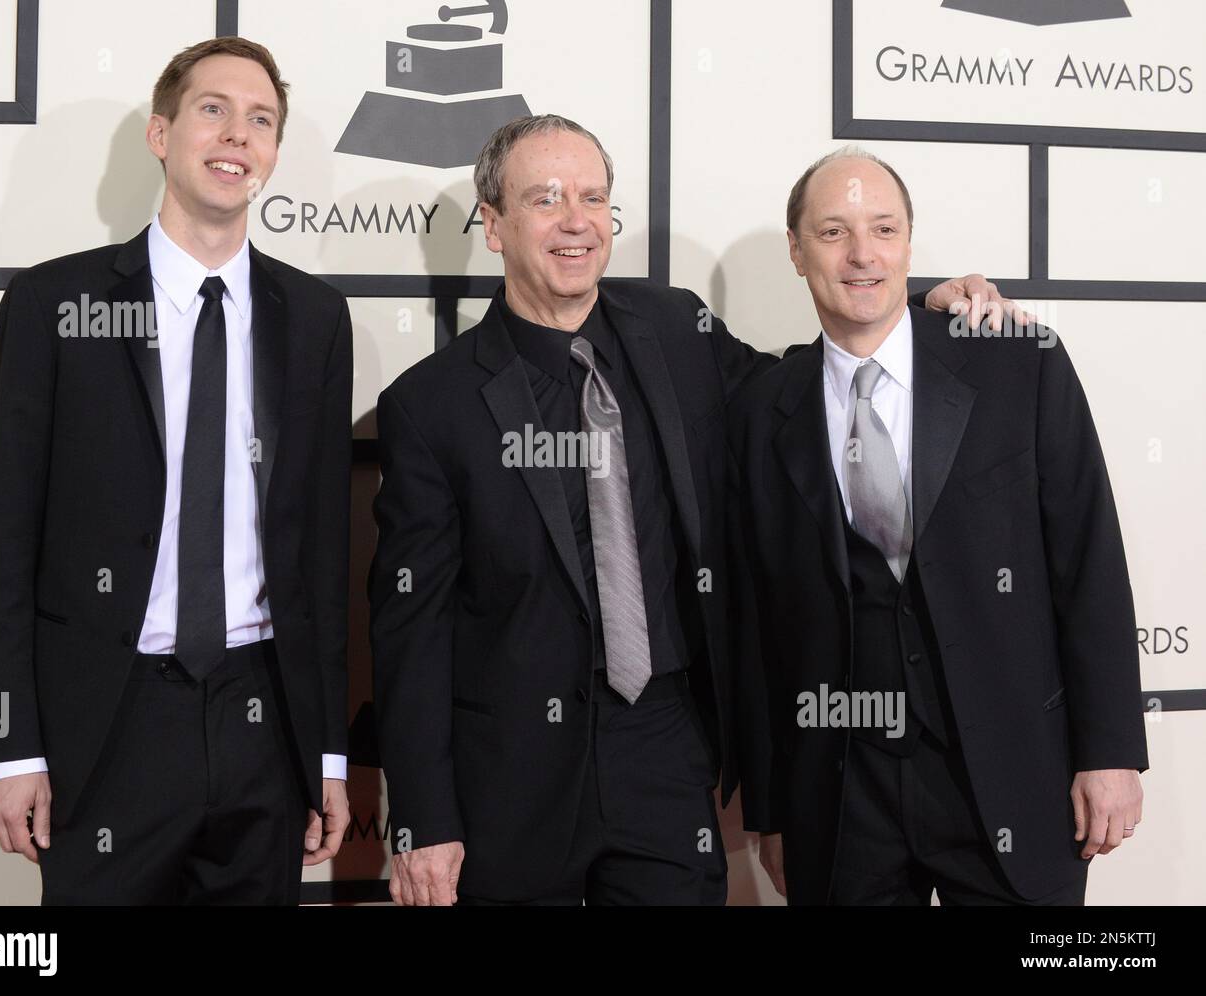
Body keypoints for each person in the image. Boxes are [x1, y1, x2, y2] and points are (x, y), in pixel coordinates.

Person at [369, 115, 1008, 905]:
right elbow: (412, 630)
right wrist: (423, 819)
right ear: (493, 225)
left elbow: (801, 392)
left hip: (668, 749)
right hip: (509, 777)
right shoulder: (430, 406)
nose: (577, 220)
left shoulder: (676, 328)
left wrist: (913, 313)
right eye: (546, 199)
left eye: (594, 197)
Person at [0, 37, 353, 904]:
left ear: (274, 154)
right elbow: (7, 546)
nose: (237, 135)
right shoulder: (52, 306)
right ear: (160, 134)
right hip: (109, 722)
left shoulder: (317, 321)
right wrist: (11, 745)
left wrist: (326, 752)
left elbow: (322, 563)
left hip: (264, 720)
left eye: (261, 120)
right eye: (213, 110)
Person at [729, 146, 1147, 905]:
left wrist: (1110, 751)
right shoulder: (763, 407)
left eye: (883, 229)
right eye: (833, 232)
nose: (863, 253)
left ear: (910, 243)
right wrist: (774, 809)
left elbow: (1088, 560)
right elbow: (761, 624)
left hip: (1012, 777)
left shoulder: (1018, 364)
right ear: (795, 250)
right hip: (842, 798)